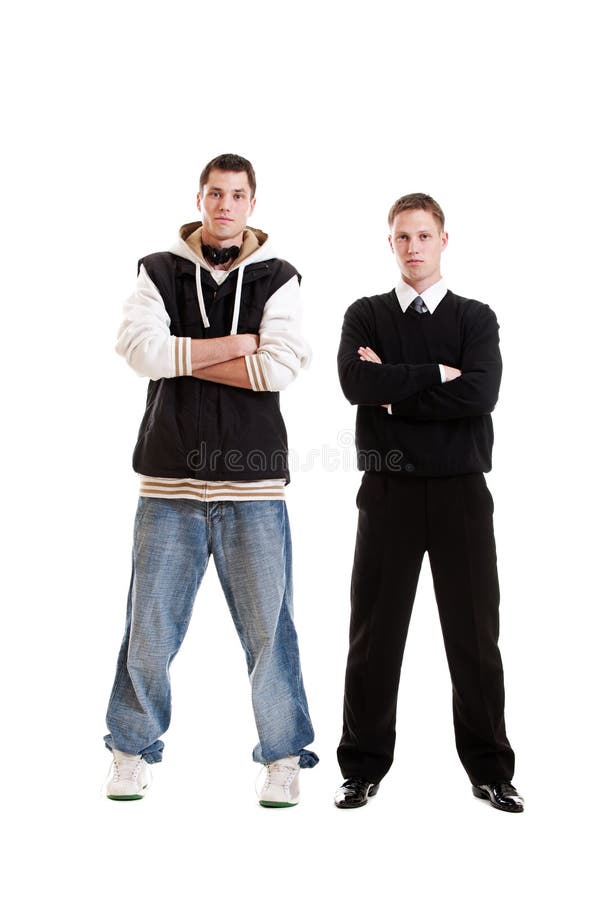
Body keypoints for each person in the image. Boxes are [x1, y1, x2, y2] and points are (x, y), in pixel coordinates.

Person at [104, 153, 317, 806]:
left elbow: (278, 369)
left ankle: (282, 757)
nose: (225, 204)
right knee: (149, 626)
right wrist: (233, 345)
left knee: (268, 630)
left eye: (238, 194)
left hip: (252, 489)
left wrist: (181, 355)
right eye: (215, 193)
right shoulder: (157, 270)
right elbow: (139, 351)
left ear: (252, 204)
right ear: (200, 198)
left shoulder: (280, 277)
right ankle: (128, 752)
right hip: (168, 484)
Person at [334, 193, 523, 813]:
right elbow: (356, 384)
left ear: (444, 240)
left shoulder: (476, 318)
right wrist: (437, 374)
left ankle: (491, 770)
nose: (413, 247)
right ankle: (361, 768)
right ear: (390, 244)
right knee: (374, 635)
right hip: (386, 490)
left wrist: (396, 393)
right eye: (401, 237)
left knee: (473, 636)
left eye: (423, 235)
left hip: (460, 494)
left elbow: (482, 395)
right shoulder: (365, 314)